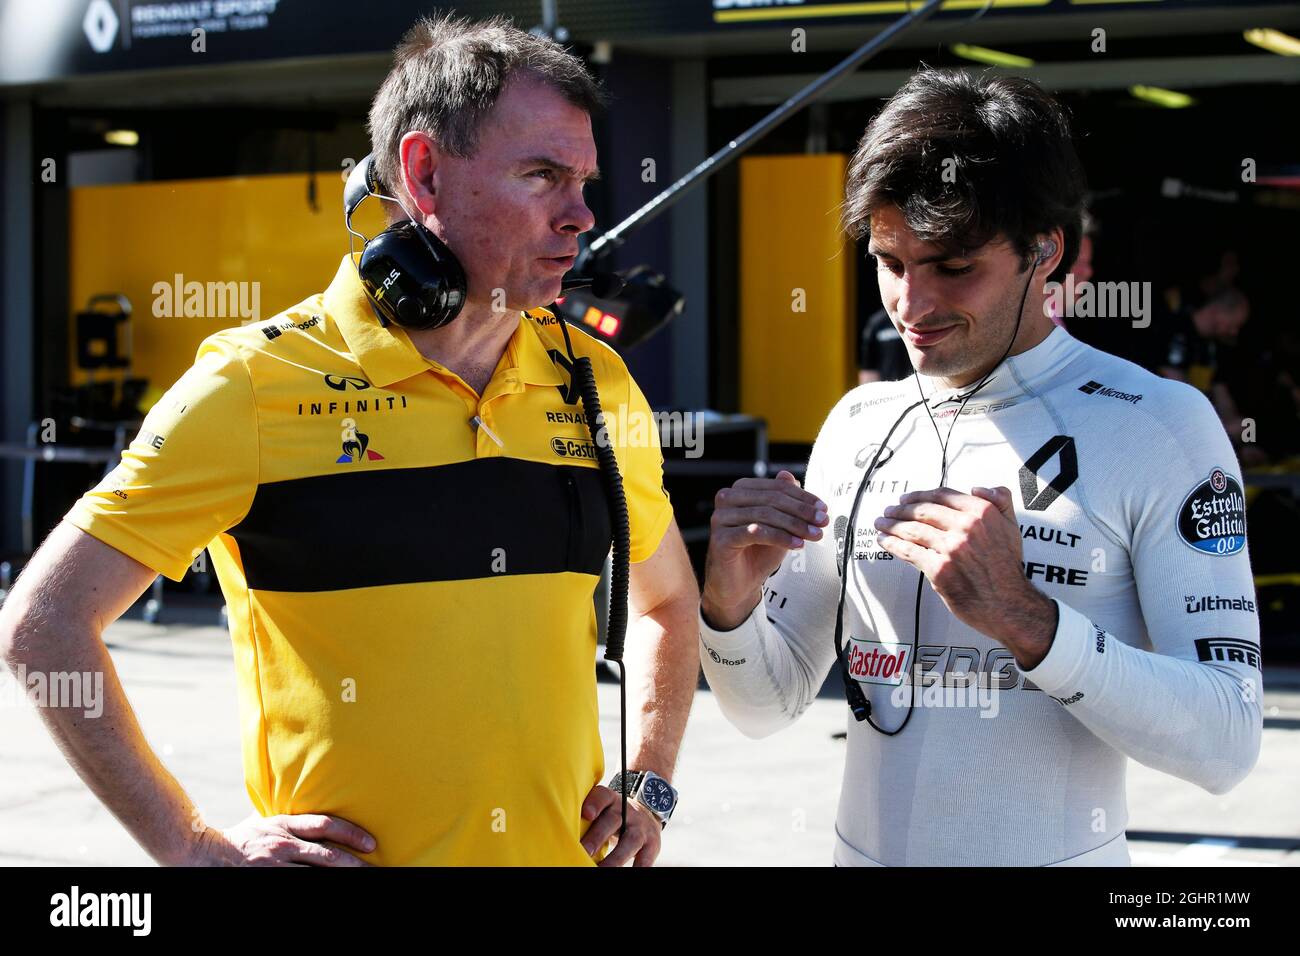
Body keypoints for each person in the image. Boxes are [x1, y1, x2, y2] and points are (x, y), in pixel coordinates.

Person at [0, 14, 701, 867]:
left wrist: (649, 778)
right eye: (542, 176)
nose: (580, 215)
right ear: (425, 172)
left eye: (584, 180)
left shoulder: (597, 380)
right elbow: (43, 625)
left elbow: (666, 603)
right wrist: (188, 846)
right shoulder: (251, 384)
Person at [697, 69, 1261, 867]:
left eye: (953, 267)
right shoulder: (858, 422)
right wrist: (729, 602)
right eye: (890, 261)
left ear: (1045, 249)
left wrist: (1026, 620)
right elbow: (765, 708)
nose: (912, 305)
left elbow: (1229, 742)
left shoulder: (1160, 425)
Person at [858, 306, 911, 384]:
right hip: (887, 385)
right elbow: (868, 365)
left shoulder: (911, 320)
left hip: (914, 384)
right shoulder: (877, 322)